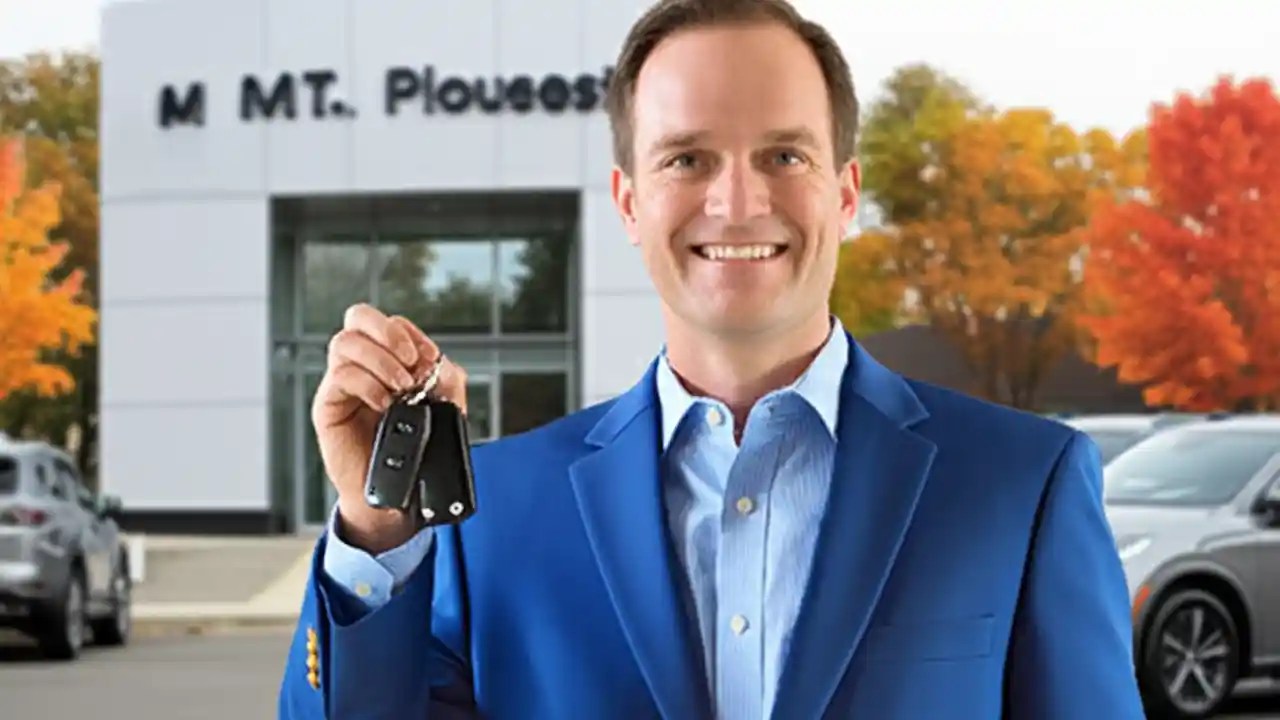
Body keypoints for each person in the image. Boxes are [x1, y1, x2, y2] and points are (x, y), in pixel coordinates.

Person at [278, 0, 1146, 717]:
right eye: (687, 158)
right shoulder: (490, 519)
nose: (737, 202)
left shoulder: (1022, 485)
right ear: (629, 202)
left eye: (783, 155)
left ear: (845, 195)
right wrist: (378, 529)